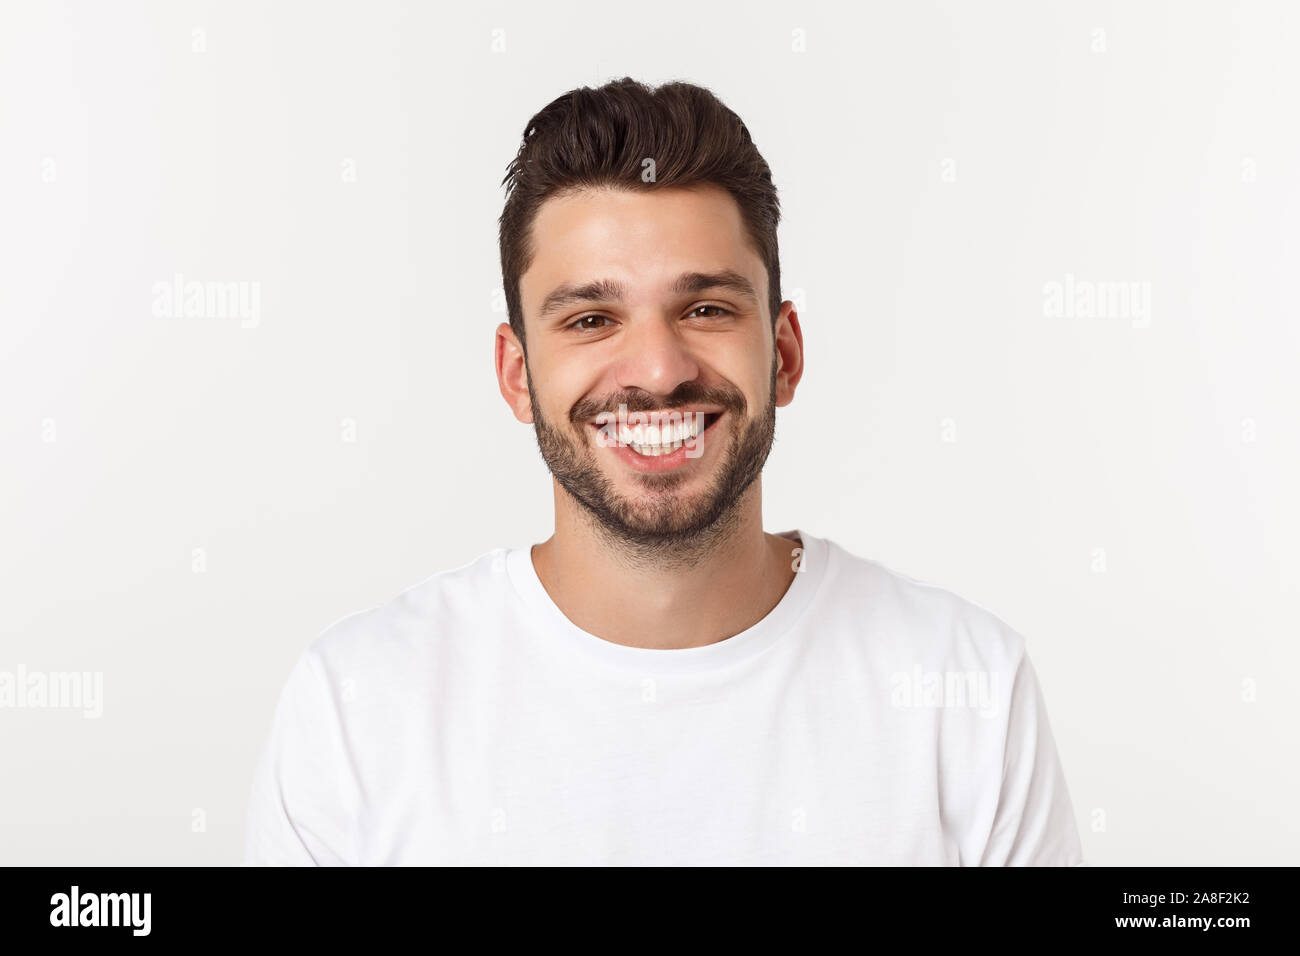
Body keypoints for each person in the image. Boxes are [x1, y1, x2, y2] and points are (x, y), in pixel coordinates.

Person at [243, 77, 1084, 866]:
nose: (656, 368)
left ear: (783, 354)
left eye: (706, 309)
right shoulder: (357, 704)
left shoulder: (963, 689)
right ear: (516, 374)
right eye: (591, 318)